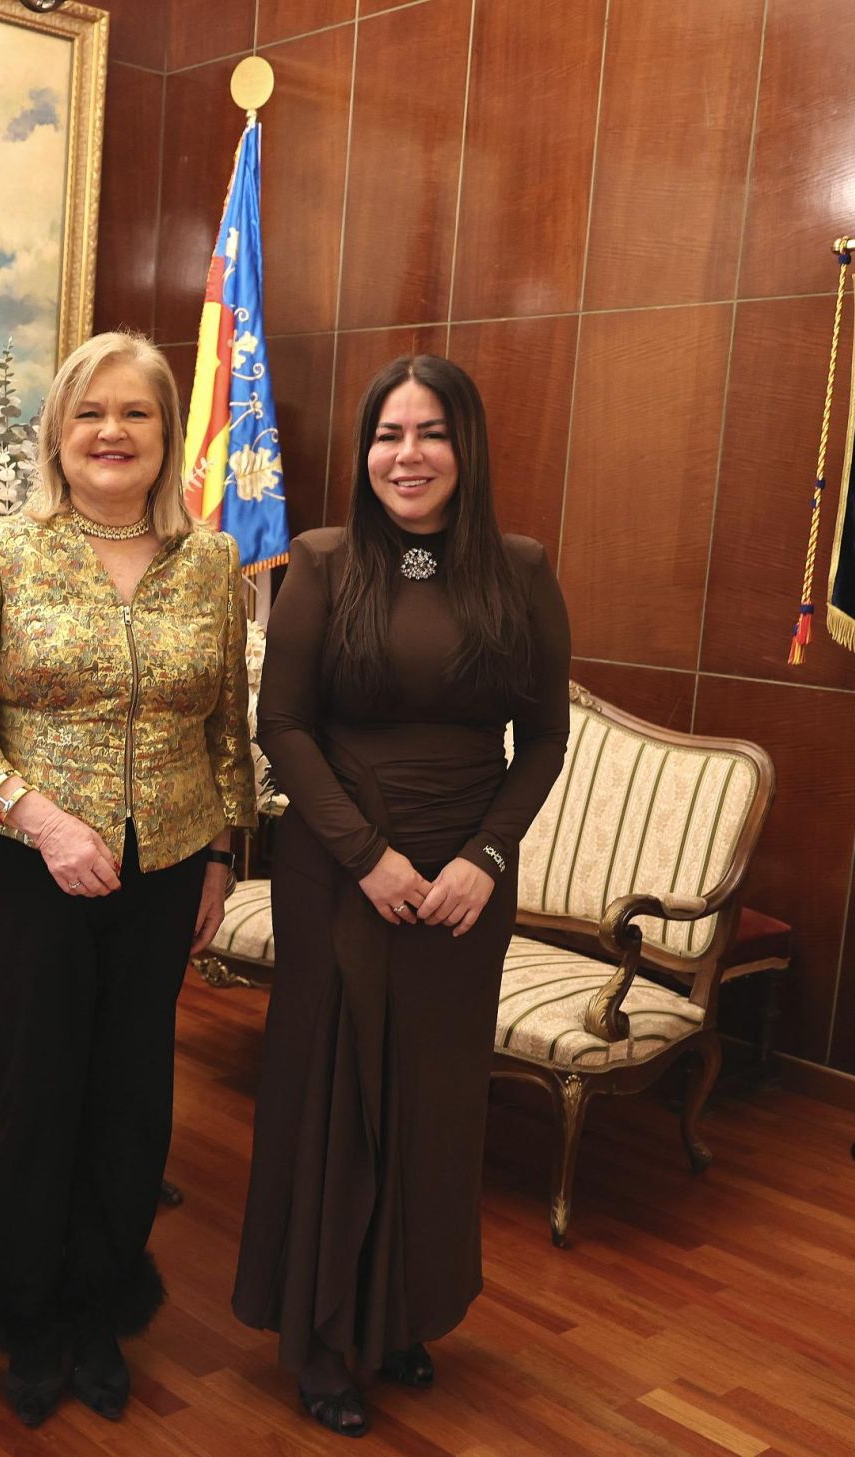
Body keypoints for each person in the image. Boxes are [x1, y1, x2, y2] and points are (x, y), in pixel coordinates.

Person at [0, 330, 253, 1427]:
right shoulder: (9, 551)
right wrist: (41, 818)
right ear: (60, 432)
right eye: (90, 412)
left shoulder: (212, 566)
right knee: (42, 1085)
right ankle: (22, 1309)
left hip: (168, 869)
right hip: (41, 867)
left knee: (134, 1097)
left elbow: (226, 731)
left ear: (166, 437)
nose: (112, 432)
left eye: (136, 414)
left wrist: (219, 854)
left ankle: (103, 1304)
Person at [231, 355, 573, 1438]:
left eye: (430, 433)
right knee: (337, 1090)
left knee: (431, 1100)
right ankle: (327, 1334)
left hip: (466, 883)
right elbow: (281, 726)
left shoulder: (520, 571)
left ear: (464, 448)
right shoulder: (323, 565)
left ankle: (403, 1314)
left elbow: (545, 738)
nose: (407, 455)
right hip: (340, 863)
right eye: (387, 434)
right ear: (365, 450)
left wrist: (486, 858)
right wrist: (368, 854)